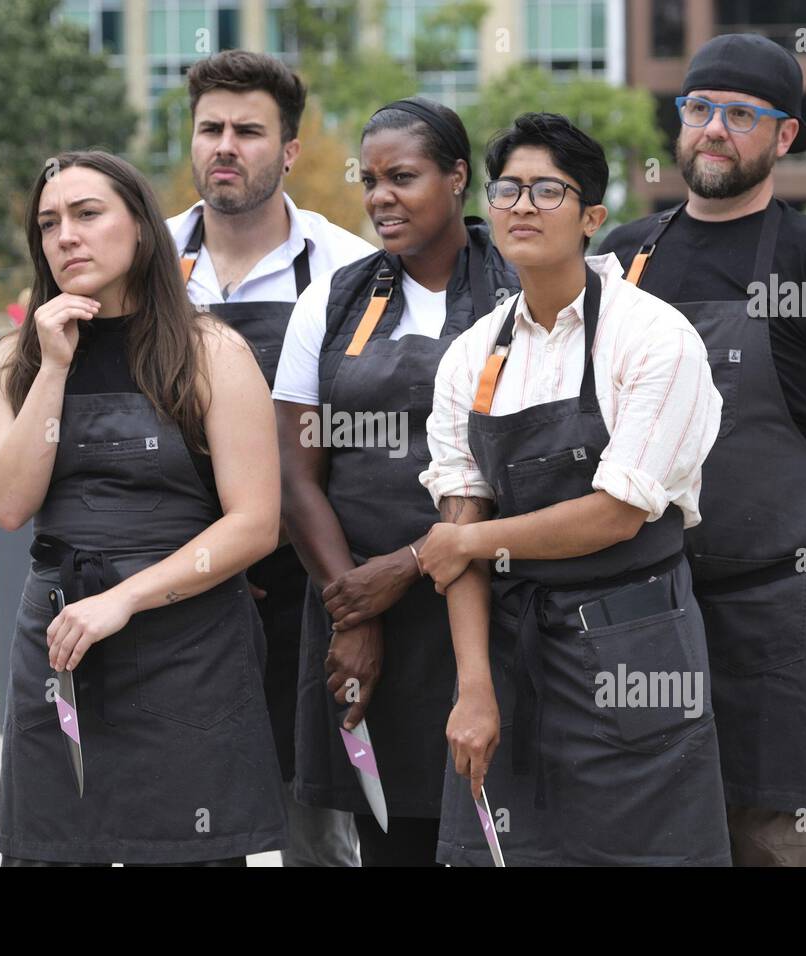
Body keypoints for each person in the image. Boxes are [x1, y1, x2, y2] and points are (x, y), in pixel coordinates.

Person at [597, 33, 806, 866]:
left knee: (777, 846)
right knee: (644, 839)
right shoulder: (620, 261)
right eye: (698, 109)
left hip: (780, 624)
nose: (713, 129)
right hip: (641, 615)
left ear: (784, 137)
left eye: (742, 115)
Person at [417, 113, 730, 866]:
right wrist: (474, 687)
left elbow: (616, 514)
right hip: (513, 650)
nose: (522, 206)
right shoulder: (471, 355)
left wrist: (472, 539)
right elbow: (457, 522)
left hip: (636, 649)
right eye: (508, 189)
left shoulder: (652, 337)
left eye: (548, 190)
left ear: (593, 216)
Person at [0, 150, 287, 865]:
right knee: (49, 851)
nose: (66, 237)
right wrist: (54, 366)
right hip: (59, 642)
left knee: (189, 851)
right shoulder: (17, 359)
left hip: (188, 647)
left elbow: (254, 524)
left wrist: (124, 599)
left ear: (142, 230)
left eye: (88, 215)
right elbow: (8, 503)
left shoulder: (211, 351)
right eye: (49, 223)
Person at [273, 97, 519, 866]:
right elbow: (293, 471)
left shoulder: (520, 291)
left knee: (496, 831)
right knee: (391, 839)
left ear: (457, 178)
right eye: (371, 180)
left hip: (490, 611)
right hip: (354, 610)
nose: (381, 198)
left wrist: (408, 567)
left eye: (403, 178)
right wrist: (353, 608)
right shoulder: (334, 298)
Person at [165, 50, 373, 867]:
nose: (225, 145)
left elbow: (361, 438)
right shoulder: (144, 268)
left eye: (248, 131)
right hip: (175, 580)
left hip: (308, 588)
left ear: (289, 151)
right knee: (180, 816)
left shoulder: (349, 269)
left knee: (315, 824)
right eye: (210, 128)